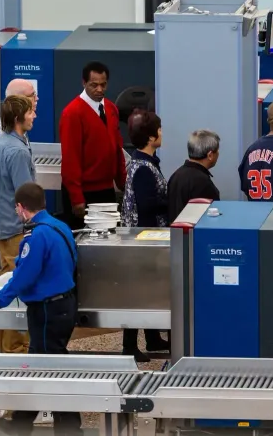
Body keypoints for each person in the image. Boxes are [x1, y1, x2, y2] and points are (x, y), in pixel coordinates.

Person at [0, 183, 82, 436]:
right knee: (41, 363)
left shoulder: (35, 236)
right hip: (66, 303)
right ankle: (20, 423)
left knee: (52, 370)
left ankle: (69, 428)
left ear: (20, 208)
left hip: (47, 310)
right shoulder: (61, 227)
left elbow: (22, 278)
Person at [0, 94, 37, 355]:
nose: (35, 116)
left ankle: (7, 342)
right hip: (14, 226)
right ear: (19, 119)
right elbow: (25, 195)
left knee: (8, 278)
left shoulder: (4, 141)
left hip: (4, 221)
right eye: (30, 112)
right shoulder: (16, 150)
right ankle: (13, 347)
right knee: (16, 283)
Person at [119, 110, 170, 361]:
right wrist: (169, 203)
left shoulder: (142, 163)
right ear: (151, 137)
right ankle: (129, 345)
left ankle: (152, 337)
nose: (162, 133)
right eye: (159, 130)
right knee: (140, 291)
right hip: (145, 239)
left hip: (142, 236)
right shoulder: (143, 170)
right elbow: (147, 207)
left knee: (148, 290)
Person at [59, 62, 126, 230]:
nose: (99, 89)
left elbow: (117, 148)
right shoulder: (72, 113)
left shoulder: (110, 108)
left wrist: (124, 183)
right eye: (94, 85)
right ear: (84, 83)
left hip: (106, 189)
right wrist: (76, 198)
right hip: (84, 192)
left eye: (103, 85)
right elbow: (70, 158)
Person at [166, 130, 221, 222]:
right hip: (193, 235)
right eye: (217, 150)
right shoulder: (202, 182)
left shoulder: (176, 175)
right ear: (210, 155)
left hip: (175, 234)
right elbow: (208, 219)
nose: (218, 153)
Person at [0, 79, 37, 164]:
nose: (37, 98)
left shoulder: (17, 125)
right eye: (33, 95)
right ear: (19, 100)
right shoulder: (4, 132)